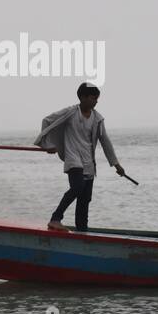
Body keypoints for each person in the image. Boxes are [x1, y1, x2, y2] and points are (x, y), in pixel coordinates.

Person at [33, 83, 126, 232]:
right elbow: (47, 120)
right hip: (73, 158)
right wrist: (48, 144)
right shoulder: (70, 112)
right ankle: (55, 219)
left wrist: (116, 164)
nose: (96, 101)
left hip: (89, 162)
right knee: (77, 187)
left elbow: (105, 141)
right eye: (93, 98)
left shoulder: (97, 118)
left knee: (85, 200)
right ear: (83, 97)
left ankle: (82, 231)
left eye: (97, 98)